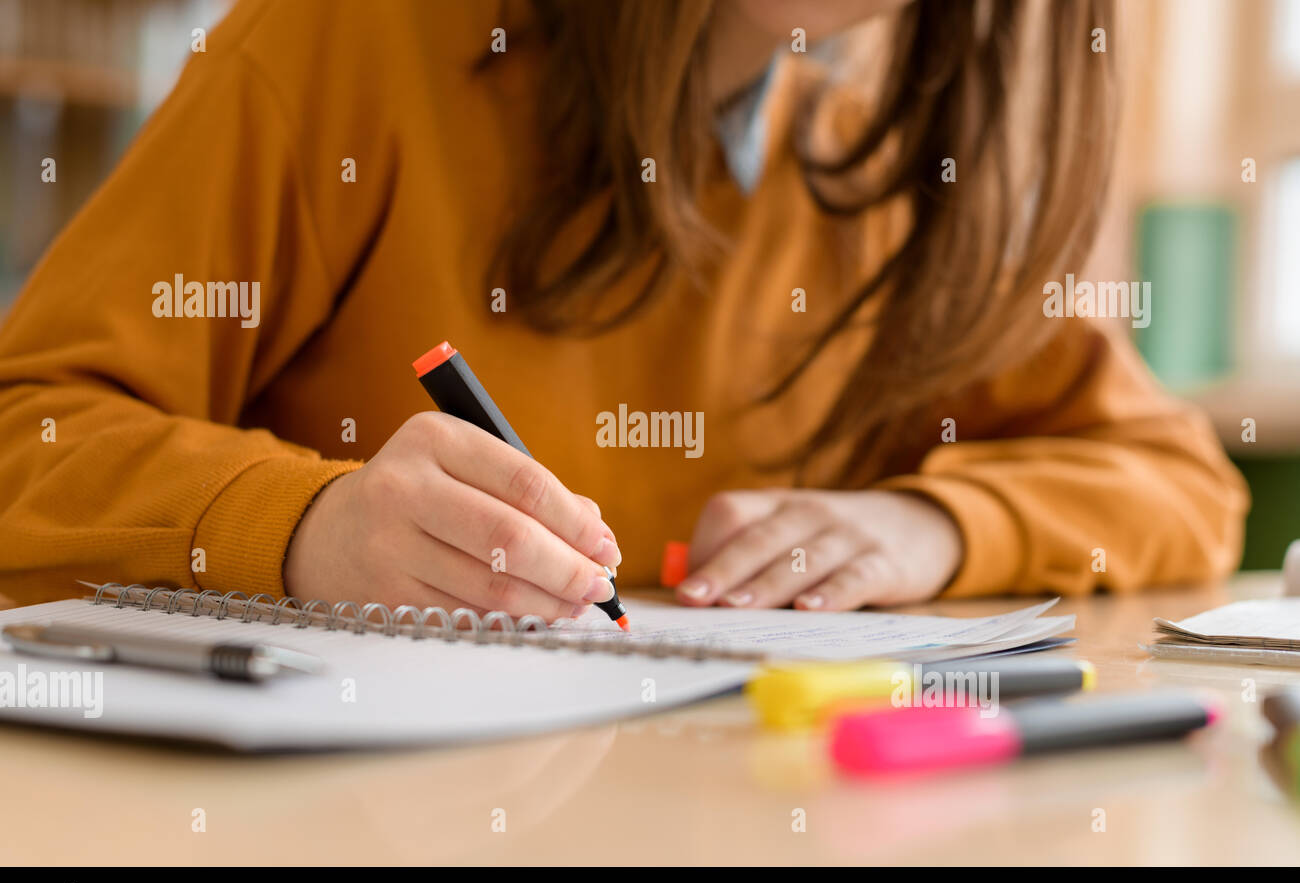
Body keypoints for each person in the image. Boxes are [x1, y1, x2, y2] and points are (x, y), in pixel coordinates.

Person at [0, 0, 1247, 618]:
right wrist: (306, 526)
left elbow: (1180, 483)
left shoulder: (892, 186)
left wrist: (930, 527)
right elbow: (27, 434)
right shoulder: (348, 41)